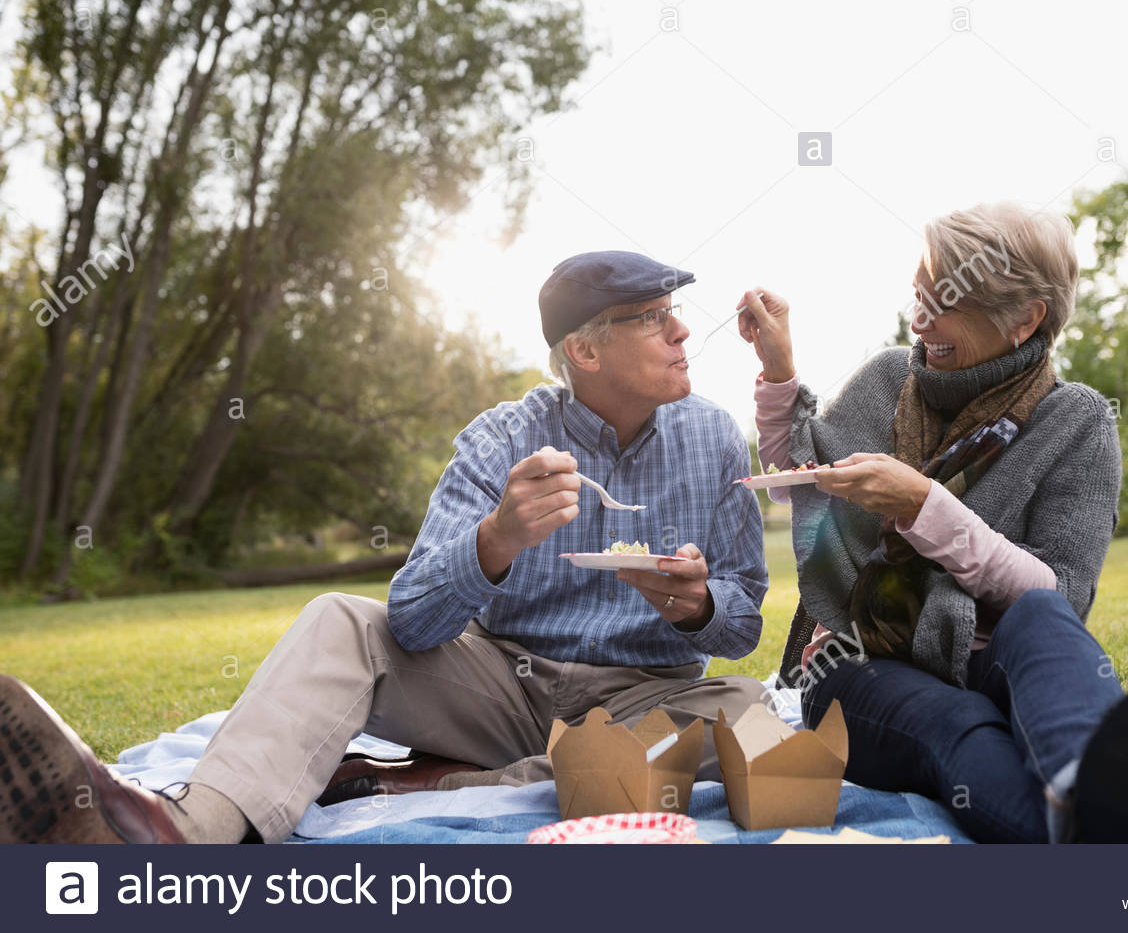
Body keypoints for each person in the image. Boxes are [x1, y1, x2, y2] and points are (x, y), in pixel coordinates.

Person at [1, 251, 768, 844]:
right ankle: (188, 827)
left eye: (675, 311)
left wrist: (700, 604)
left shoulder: (716, 437)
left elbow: (743, 628)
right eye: (651, 316)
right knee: (341, 619)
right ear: (586, 352)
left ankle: (439, 786)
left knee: (754, 711)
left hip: (645, 696)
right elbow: (411, 619)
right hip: (506, 684)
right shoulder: (500, 439)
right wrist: (494, 540)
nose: (679, 331)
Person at [738, 201, 1128, 842]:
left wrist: (924, 506)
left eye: (943, 303)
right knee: (958, 723)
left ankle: (1093, 797)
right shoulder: (891, 377)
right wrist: (780, 370)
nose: (919, 320)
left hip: (992, 649)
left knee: (1040, 619)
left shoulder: (1078, 421)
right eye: (918, 297)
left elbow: (1061, 596)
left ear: (1025, 318)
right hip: (858, 658)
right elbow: (803, 476)